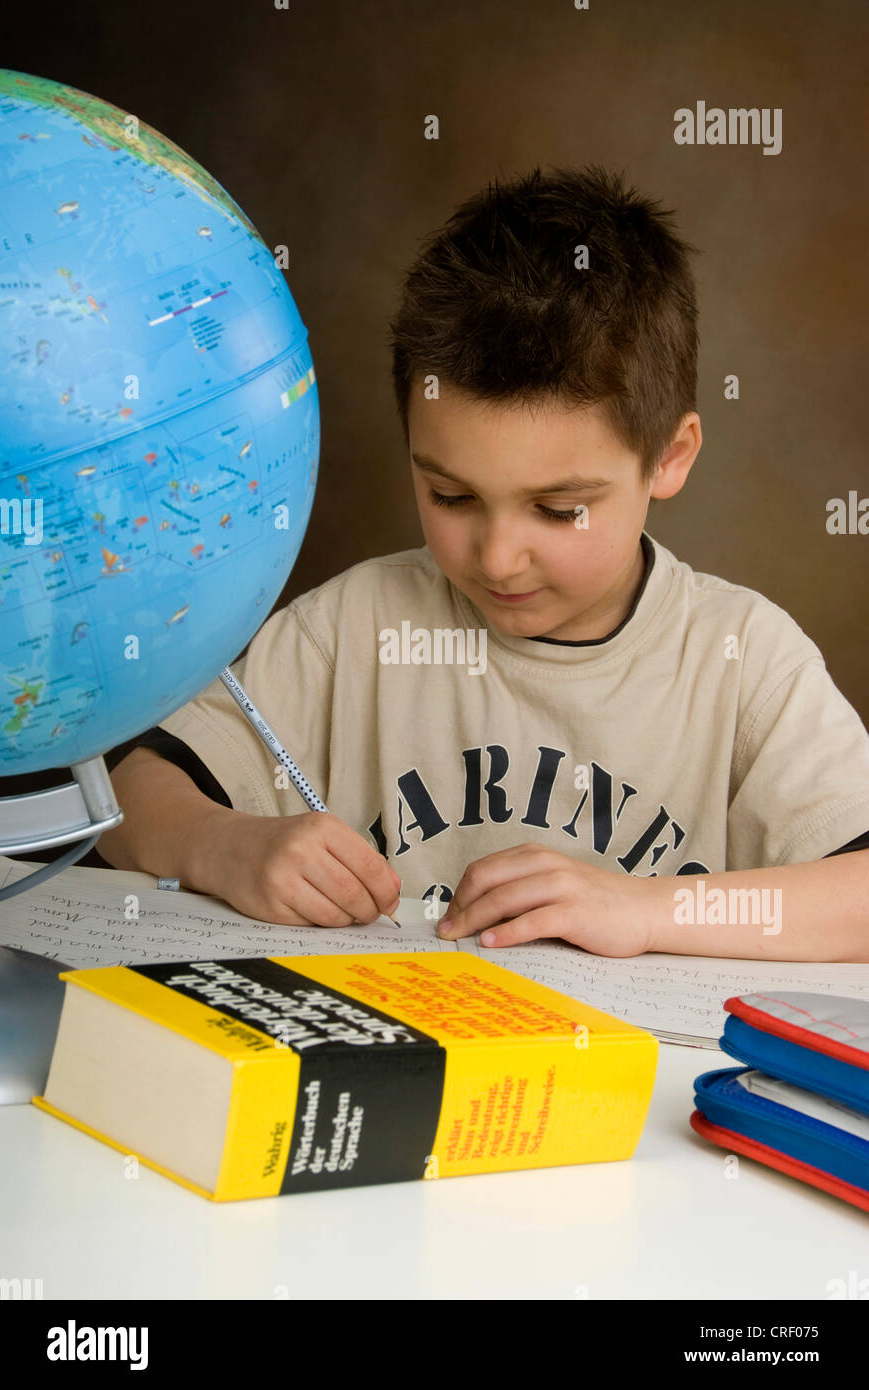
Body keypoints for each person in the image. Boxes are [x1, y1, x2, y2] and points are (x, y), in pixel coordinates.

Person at [97, 164, 869, 962]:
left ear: (669, 458)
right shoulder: (353, 629)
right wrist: (226, 846)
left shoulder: (744, 661)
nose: (498, 556)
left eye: (559, 508)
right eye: (452, 496)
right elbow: (127, 797)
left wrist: (643, 910)